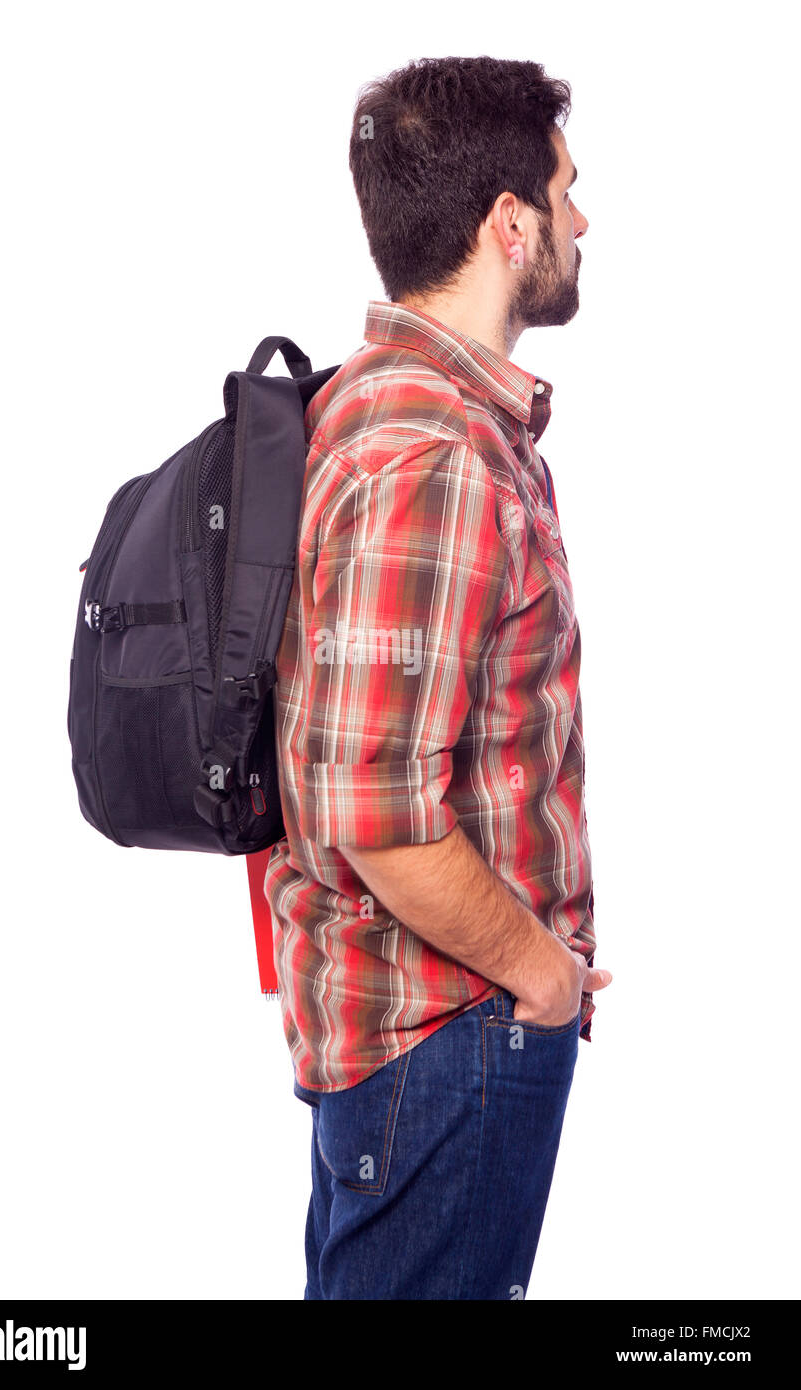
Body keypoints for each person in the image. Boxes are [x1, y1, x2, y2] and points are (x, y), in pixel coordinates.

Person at [265, 54, 612, 1300]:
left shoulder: (375, 407)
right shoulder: (434, 452)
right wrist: (540, 971)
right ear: (506, 224)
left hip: (419, 1034)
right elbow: (372, 808)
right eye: (566, 193)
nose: (582, 219)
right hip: (445, 1038)